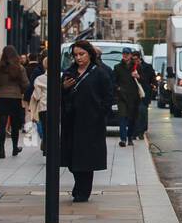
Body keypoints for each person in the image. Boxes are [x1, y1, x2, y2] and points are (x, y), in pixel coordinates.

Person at [62, 40, 113, 202]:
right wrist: (64, 88)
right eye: (76, 55)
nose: (78, 58)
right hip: (72, 121)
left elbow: (108, 96)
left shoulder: (99, 73)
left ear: (89, 54)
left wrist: (100, 113)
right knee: (72, 158)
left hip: (91, 122)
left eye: (81, 54)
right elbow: (61, 97)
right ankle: (79, 186)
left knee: (86, 159)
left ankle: (83, 191)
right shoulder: (69, 73)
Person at [0, 45, 29, 159]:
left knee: (2, 125)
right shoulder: (19, 68)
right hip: (15, 99)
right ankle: (15, 148)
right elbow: (26, 84)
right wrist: (20, 91)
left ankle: (1, 151)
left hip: (2, 99)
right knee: (15, 125)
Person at [112, 48, 142, 146]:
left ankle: (130, 138)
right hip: (122, 97)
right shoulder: (117, 67)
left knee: (132, 119)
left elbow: (144, 81)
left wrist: (138, 77)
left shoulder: (137, 67)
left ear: (130, 55)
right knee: (123, 117)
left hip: (134, 97)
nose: (125, 55)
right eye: (124, 53)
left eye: (127, 54)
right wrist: (118, 88)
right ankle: (123, 139)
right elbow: (113, 81)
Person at [27, 53, 50, 155]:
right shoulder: (61, 76)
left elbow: (36, 95)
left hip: (43, 107)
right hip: (58, 108)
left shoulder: (39, 79)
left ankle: (46, 149)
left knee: (45, 129)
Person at [132, 50, 156, 140]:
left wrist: (153, 86)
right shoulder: (131, 67)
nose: (134, 61)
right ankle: (134, 132)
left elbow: (151, 79)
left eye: (136, 59)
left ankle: (141, 131)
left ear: (139, 58)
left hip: (144, 92)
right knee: (134, 112)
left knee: (142, 112)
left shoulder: (147, 67)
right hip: (133, 93)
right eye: (133, 59)